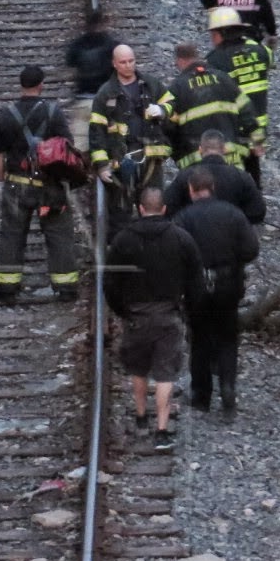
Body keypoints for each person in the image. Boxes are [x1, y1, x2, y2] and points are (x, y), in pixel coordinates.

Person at [105, 186, 204, 442]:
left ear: (140, 209)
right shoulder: (181, 238)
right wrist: (189, 311)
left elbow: (110, 284)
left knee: (138, 370)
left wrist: (123, 311)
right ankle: (161, 430)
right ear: (163, 209)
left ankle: (140, 418)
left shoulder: (122, 240)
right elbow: (196, 281)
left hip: (136, 316)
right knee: (165, 374)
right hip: (168, 316)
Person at [0, 65, 79, 303]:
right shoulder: (53, 112)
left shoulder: (6, 114)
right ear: (41, 85)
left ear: (20, 85)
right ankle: (65, 287)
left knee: (12, 234)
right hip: (50, 186)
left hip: (17, 184)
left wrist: (1, 178)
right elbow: (67, 147)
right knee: (59, 235)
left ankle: (7, 288)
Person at [174, 167, 259, 414]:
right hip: (228, 283)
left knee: (199, 338)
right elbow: (251, 249)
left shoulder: (184, 218)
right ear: (213, 189)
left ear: (191, 190)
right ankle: (228, 387)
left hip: (197, 286)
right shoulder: (233, 214)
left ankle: (201, 396)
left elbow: (175, 252)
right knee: (227, 337)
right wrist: (233, 261)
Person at [88, 43, 170, 226]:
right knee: (120, 213)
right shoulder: (105, 94)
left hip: (150, 159)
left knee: (154, 206)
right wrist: (102, 166)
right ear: (114, 64)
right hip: (120, 161)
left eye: (131, 61)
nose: (128, 65)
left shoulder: (151, 84)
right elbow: (96, 133)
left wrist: (162, 110)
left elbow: (172, 103)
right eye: (123, 62)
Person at [158, 42, 261, 170]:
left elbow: (168, 128)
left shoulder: (177, 87)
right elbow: (247, 111)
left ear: (180, 60)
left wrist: (170, 154)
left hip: (196, 164)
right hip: (230, 158)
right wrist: (257, 140)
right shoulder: (223, 78)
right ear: (197, 57)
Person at [205, 8, 273, 189]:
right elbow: (269, 59)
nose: (212, 38)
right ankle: (256, 199)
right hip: (259, 125)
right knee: (254, 166)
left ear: (223, 33)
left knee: (234, 173)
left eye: (214, 33)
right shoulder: (260, 50)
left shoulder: (215, 60)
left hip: (234, 126)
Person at [163, 130, 264, 225]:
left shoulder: (186, 176)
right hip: (231, 238)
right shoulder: (241, 177)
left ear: (200, 150)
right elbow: (258, 212)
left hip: (194, 238)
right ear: (224, 149)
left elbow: (166, 208)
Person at [63, 12, 117, 152]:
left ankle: (87, 172)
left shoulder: (78, 44)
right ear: (105, 23)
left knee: (80, 147)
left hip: (83, 100)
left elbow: (70, 64)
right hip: (107, 101)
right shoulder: (112, 44)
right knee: (112, 143)